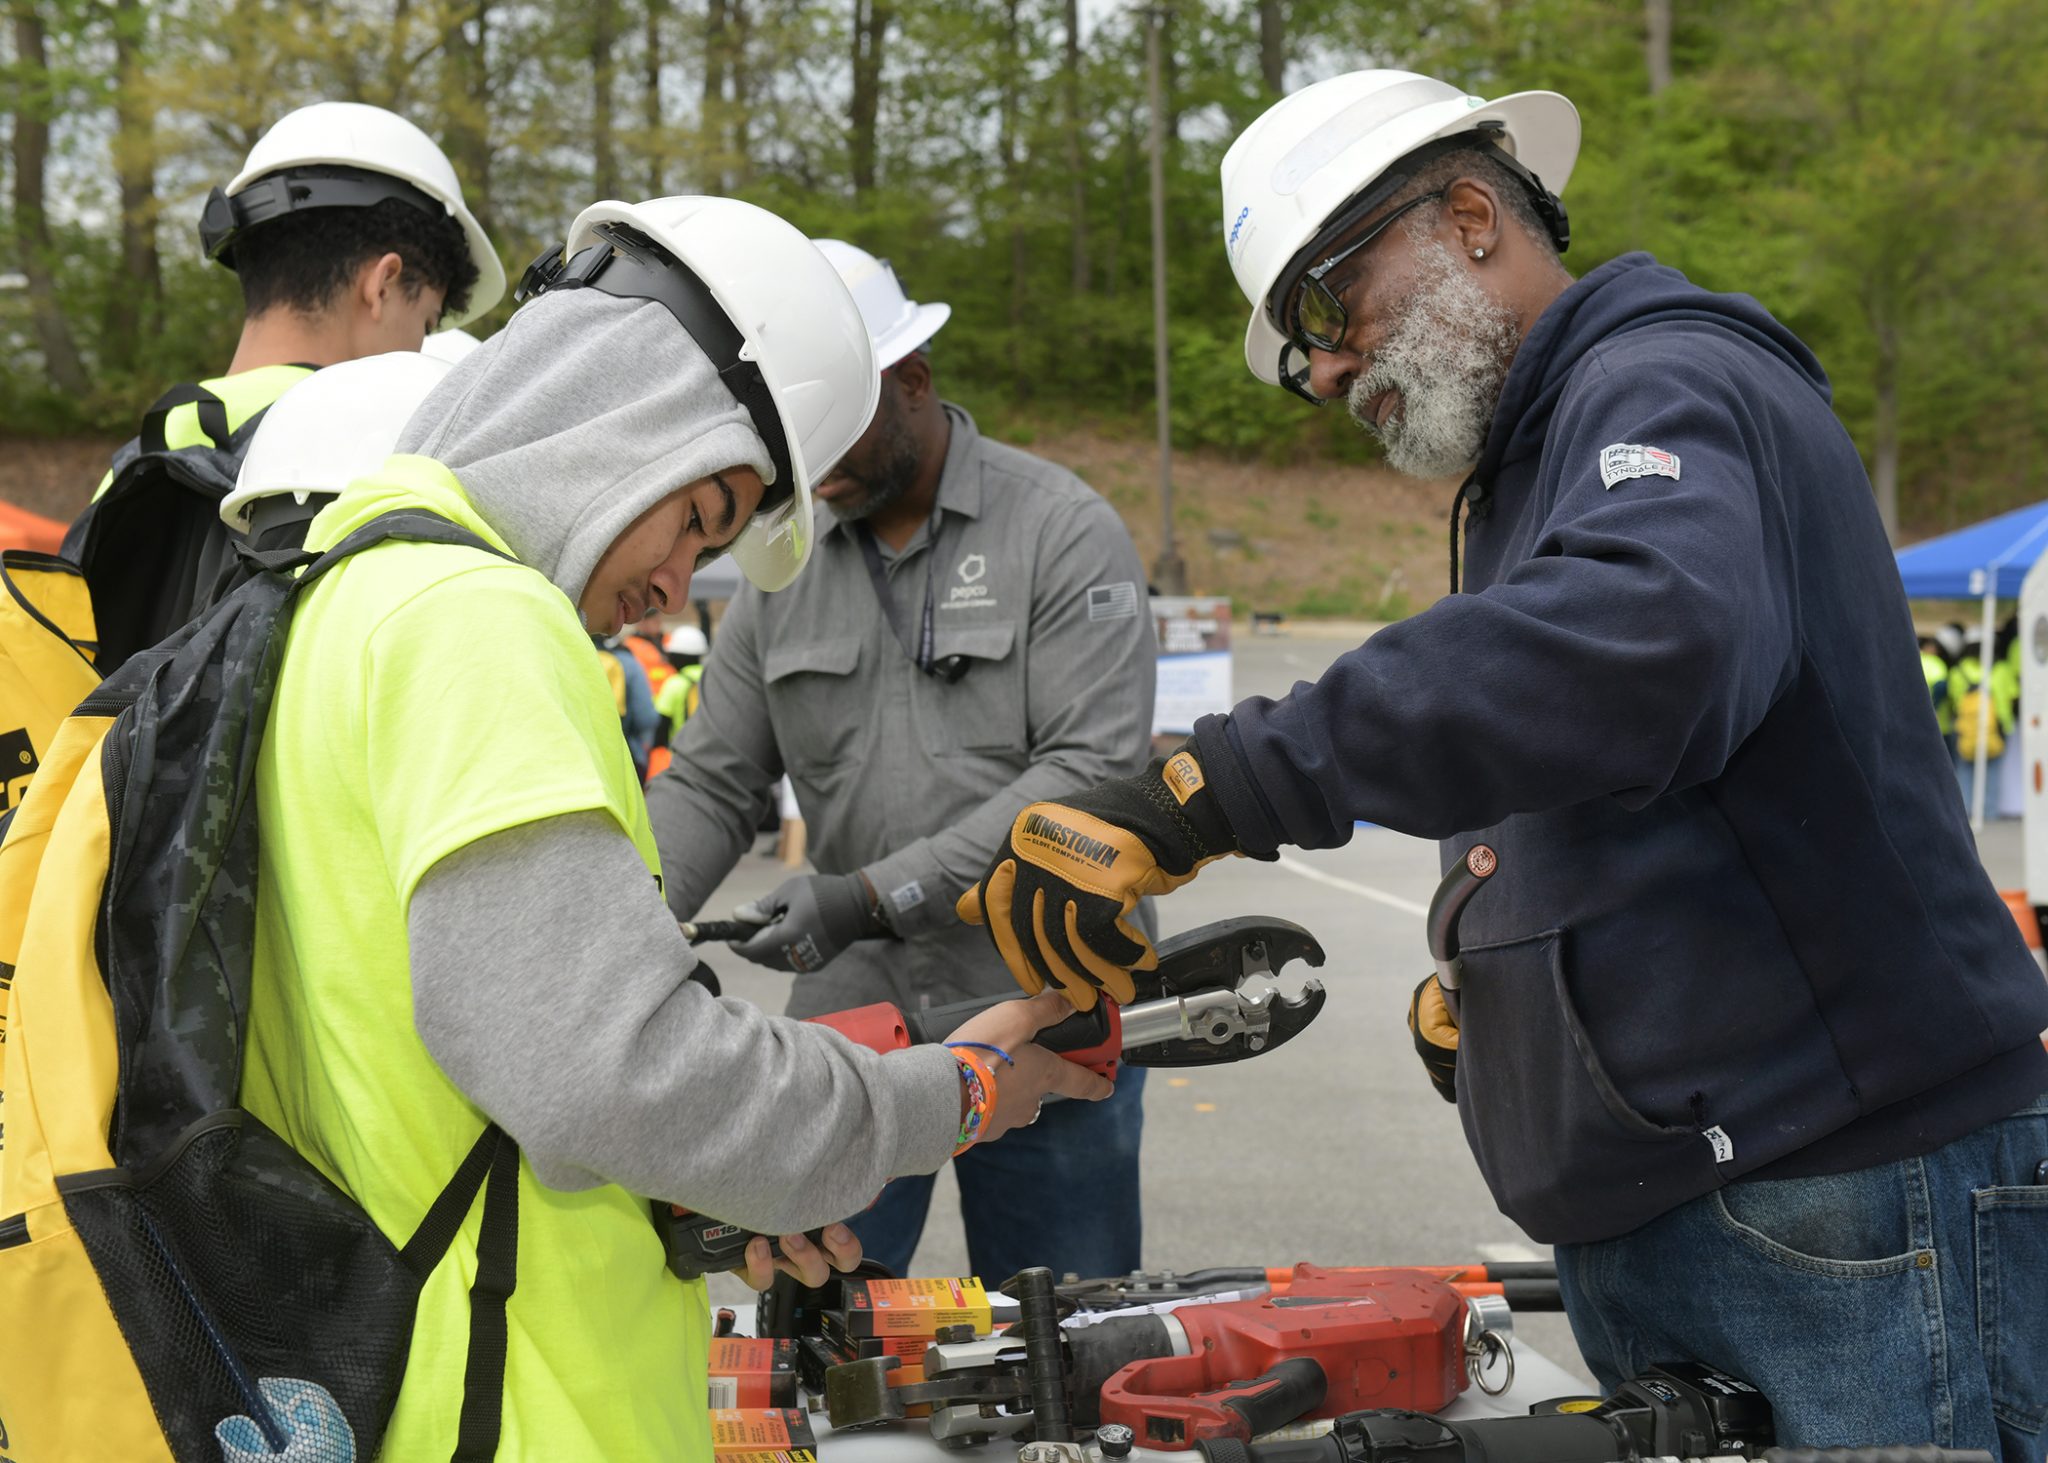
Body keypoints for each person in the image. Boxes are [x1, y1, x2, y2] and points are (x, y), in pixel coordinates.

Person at [957, 69, 2048, 1462]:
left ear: (1470, 216)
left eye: (1326, 309)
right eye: (1305, 344)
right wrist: (1525, 997)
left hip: (1846, 1199)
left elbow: (1642, 650)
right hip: (1747, 1206)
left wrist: (1217, 784)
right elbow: (1613, 764)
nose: (1329, 371)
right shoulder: (1554, 448)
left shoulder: (1666, 377)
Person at [241, 194, 1109, 1458]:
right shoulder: (476, 623)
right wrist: (953, 1093)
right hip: (517, 1395)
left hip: (408, 1353)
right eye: (701, 518)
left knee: (1063, 1357)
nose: (673, 588)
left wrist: (681, 1123)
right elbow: (616, 1067)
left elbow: (497, 1062)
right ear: (636, 413)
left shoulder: (344, 596)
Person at [646, 239, 1158, 1283]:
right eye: (795, 434)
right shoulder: (778, 576)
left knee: (1059, 1330)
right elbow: (709, 778)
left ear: (911, 381)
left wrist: (872, 894)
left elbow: (1088, 769)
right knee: (822, 1331)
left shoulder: (1060, 532)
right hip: (853, 1029)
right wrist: (621, 919)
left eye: (834, 422)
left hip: (1049, 1010)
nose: (809, 462)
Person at [65, 101, 500, 671]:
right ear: (384, 282)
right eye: (425, 321)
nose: (421, 348)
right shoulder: (384, 448)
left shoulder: (144, 453)